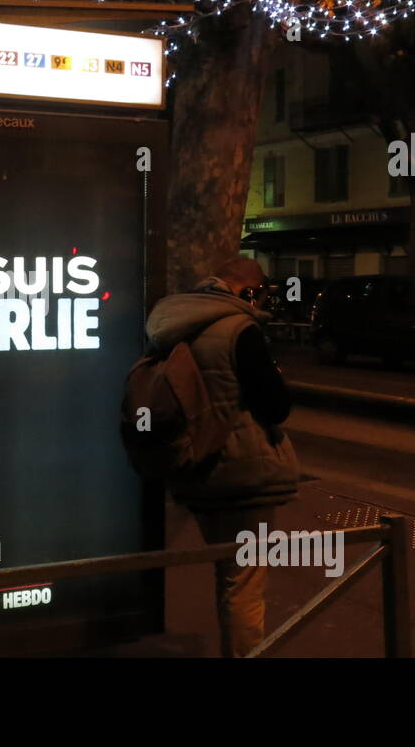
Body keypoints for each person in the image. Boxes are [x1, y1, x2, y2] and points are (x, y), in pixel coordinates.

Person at [144, 256, 299, 657]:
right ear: (247, 289)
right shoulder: (240, 330)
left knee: (223, 568)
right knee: (243, 583)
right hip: (244, 472)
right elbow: (275, 405)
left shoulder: (171, 326)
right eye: (260, 291)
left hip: (193, 466)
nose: (262, 300)